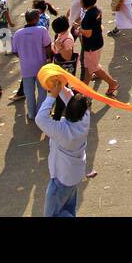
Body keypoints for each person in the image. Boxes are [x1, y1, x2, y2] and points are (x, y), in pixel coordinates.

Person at [35, 73, 91, 216]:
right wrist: (60, 87)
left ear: (67, 110)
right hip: (74, 175)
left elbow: (40, 119)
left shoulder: (63, 131)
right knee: (68, 208)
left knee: (53, 214)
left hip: (61, 179)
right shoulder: (85, 119)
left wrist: (51, 96)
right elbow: (70, 97)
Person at [11, 9, 52, 121]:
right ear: (36, 19)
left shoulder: (18, 33)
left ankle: (31, 114)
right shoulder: (42, 30)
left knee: (29, 94)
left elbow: (14, 51)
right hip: (41, 67)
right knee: (42, 93)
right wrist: (49, 59)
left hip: (26, 68)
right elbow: (48, 46)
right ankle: (40, 113)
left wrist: (24, 56)